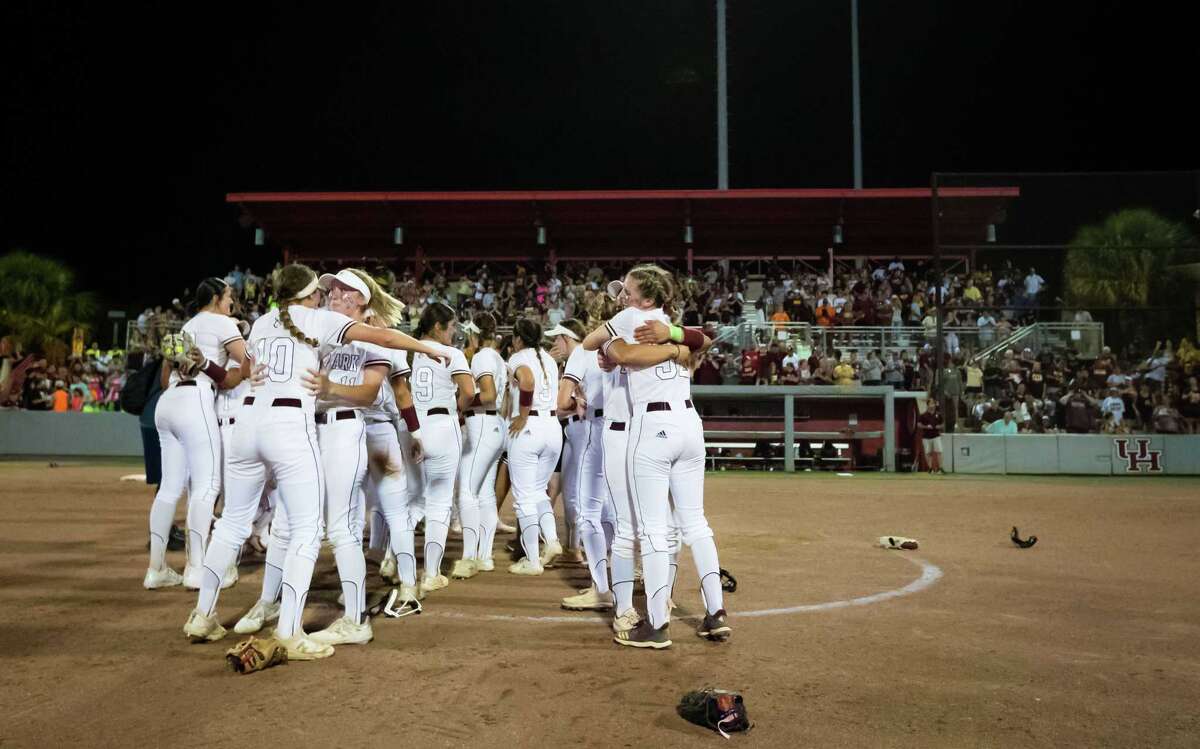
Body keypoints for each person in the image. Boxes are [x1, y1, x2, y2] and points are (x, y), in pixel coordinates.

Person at [181, 263, 445, 661]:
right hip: (298, 431)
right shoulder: (314, 324)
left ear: (360, 299)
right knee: (288, 526)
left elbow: (373, 392)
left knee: (340, 526)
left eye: (341, 290)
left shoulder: (322, 325)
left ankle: (360, 613)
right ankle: (270, 604)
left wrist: (332, 386)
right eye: (328, 289)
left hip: (340, 431)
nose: (333, 294)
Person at [583, 264, 730, 650]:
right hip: (689, 423)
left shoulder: (631, 316)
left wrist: (617, 351)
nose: (622, 295)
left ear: (646, 298)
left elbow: (595, 343)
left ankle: (657, 624)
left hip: (651, 426)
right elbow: (705, 341)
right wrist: (676, 344)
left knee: (650, 530)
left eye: (628, 290)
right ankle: (716, 613)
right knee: (695, 523)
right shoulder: (670, 324)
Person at [144, 278, 249, 591]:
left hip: (168, 403)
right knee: (207, 486)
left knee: (169, 489)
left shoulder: (186, 326)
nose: (232, 302)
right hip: (196, 401)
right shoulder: (221, 322)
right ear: (217, 298)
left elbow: (165, 378)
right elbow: (247, 362)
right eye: (229, 296)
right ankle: (196, 568)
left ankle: (156, 568)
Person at [405, 302, 475, 593]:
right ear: (438, 327)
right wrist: (458, 411)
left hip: (411, 426)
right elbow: (469, 391)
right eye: (452, 326)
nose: (454, 332)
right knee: (439, 503)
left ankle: (393, 561)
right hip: (442, 425)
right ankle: (430, 572)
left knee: (411, 501)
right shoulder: (452, 353)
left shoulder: (406, 348)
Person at [552, 318, 617, 611]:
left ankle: (600, 588)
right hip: (627, 430)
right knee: (615, 510)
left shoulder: (583, 352)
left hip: (594, 427)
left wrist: (575, 403)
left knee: (590, 510)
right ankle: (628, 574)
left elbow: (561, 402)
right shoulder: (625, 346)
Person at [505, 317, 565, 575]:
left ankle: (532, 559)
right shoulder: (549, 359)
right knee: (539, 491)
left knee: (523, 498)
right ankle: (551, 540)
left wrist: (523, 412)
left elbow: (527, 381)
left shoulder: (519, 358)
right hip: (552, 428)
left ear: (518, 337)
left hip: (529, 428)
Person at [454, 312, 507, 575]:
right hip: (494, 424)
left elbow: (488, 395)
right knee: (485, 494)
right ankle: (484, 556)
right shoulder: (496, 356)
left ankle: (469, 557)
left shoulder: (482, 356)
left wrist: (459, 404)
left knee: (467, 492)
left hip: (483, 425)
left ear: (475, 334)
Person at [918, 399, 944, 474]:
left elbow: (942, 424)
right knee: (928, 453)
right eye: (931, 404)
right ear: (928, 405)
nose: (932, 405)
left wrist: (939, 426)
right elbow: (919, 424)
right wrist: (926, 426)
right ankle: (930, 468)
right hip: (926, 437)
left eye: (933, 404)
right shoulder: (923, 415)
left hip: (936, 435)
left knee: (939, 451)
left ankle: (940, 468)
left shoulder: (938, 414)